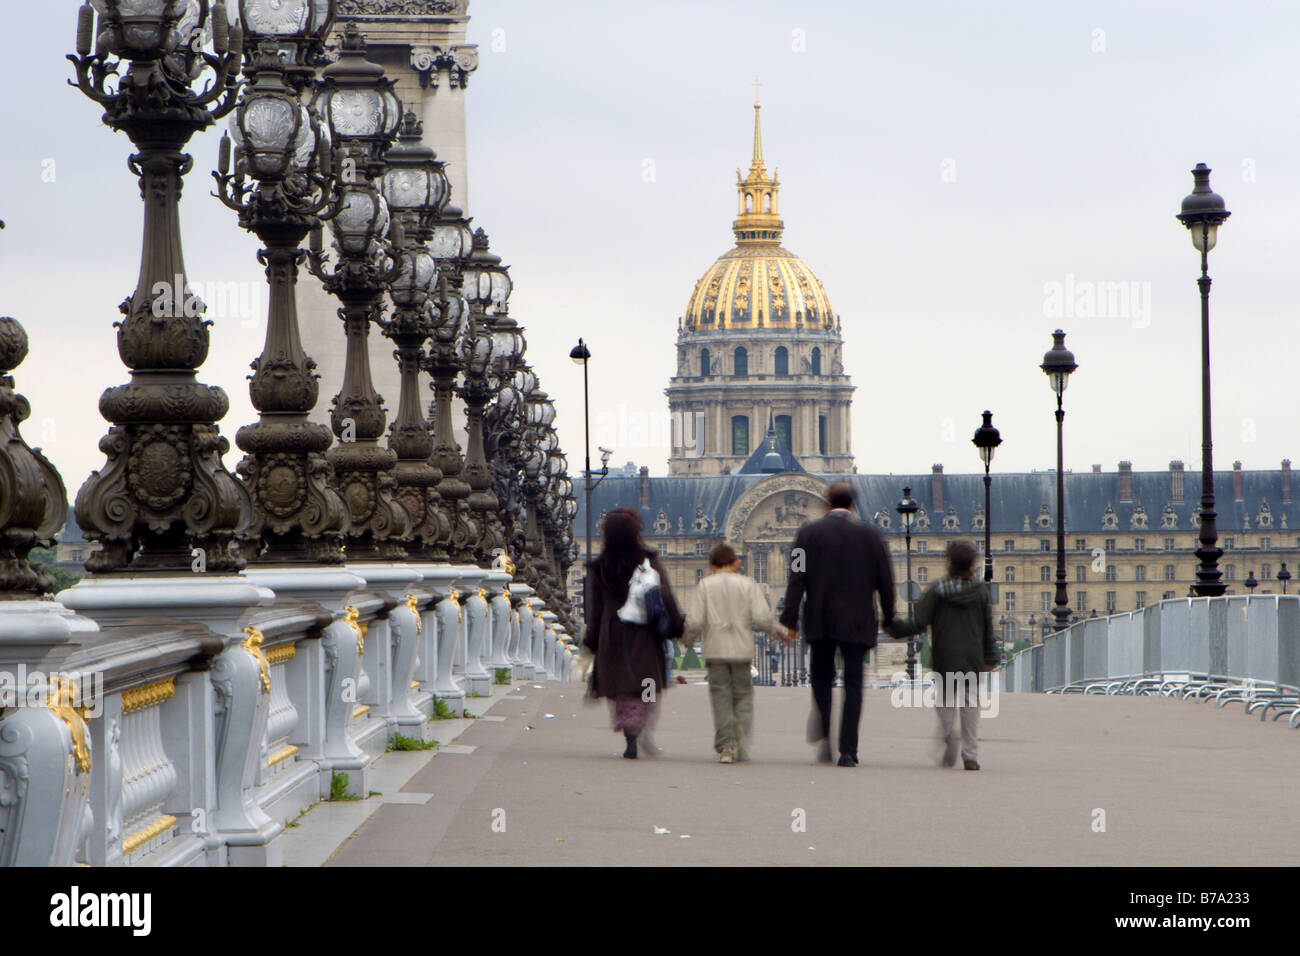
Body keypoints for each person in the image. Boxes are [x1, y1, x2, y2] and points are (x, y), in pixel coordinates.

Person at [780, 481, 896, 767]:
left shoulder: (806, 534)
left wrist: (789, 619)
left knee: (821, 679)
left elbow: (795, 579)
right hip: (858, 621)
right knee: (854, 685)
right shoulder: (871, 537)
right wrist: (890, 617)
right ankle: (849, 751)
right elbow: (886, 581)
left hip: (819, 619)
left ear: (827, 502)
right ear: (853, 504)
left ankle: (824, 733)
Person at [886, 540, 998, 771]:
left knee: (945, 702)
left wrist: (893, 628)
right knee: (970, 706)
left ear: (949, 562)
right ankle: (971, 755)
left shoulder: (937, 590)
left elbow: (918, 623)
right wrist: (990, 656)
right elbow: (988, 628)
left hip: (945, 655)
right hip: (971, 657)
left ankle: (950, 734)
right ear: (971, 564)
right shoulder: (980, 592)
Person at [582, 507, 684, 758]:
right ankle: (641, 723)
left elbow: (594, 608)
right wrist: (676, 624)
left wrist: (592, 639)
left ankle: (629, 730)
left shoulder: (600, 567)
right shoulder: (648, 561)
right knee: (647, 683)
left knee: (621, 686)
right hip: (645, 633)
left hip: (612, 633)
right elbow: (665, 594)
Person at [683, 543, 787, 764]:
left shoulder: (705, 585)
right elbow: (761, 618)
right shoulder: (747, 584)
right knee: (743, 695)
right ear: (736, 563)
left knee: (720, 696)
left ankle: (726, 746)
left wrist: (687, 641)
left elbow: (694, 621)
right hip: (741, 649)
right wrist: (779, 632)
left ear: (711, 565)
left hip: (715, 649)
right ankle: (740, 734)